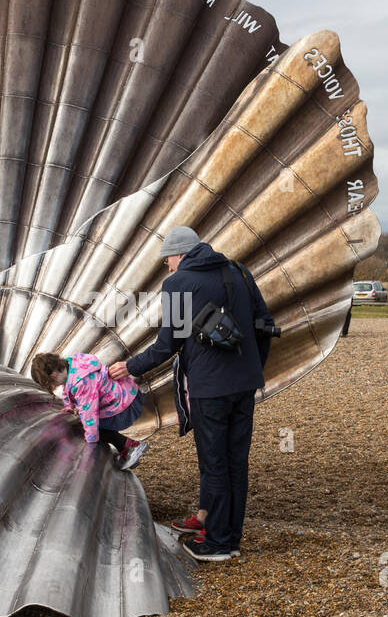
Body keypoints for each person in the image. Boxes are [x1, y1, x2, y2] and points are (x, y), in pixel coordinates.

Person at [109, 226, 273, 562]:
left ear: (179, 255)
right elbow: (264, 323)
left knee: (214, 463)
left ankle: (217, 544)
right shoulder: (238, 271)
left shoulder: (179, 283)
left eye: (167, 260)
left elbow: (169, 344)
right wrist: (252, 369)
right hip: (245, 385)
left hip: (210, 390)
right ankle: (228, 535)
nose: (167, 267)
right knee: (235, 462)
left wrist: (131, 366)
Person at [30, 352, 148, 470]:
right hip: (124, 392)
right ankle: (128, 449)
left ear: (54, 375)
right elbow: (66, 387)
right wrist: (70, 406)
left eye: (50, 384)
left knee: (98, 429)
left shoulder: (81, 383)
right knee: (94, 427)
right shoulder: (71, 364)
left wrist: (91, 444)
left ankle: (131, 447)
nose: (53, 387)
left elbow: (89, 414)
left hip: (124, 403)